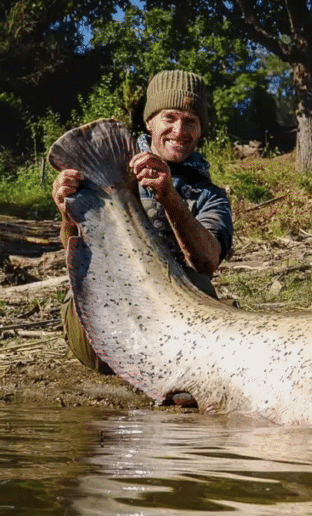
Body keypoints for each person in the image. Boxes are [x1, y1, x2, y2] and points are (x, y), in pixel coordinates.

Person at [51, 70, 233, 384]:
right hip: (104, 314)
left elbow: (207, 262)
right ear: (149, 121)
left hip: (171, 320)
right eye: (170, 117)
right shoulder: (102, 172)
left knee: (203, 290)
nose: (180, 130)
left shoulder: (211, 196)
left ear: (201, 129)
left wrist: (169, 197)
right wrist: (67, 213)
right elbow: (74, 249)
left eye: (191, 121)